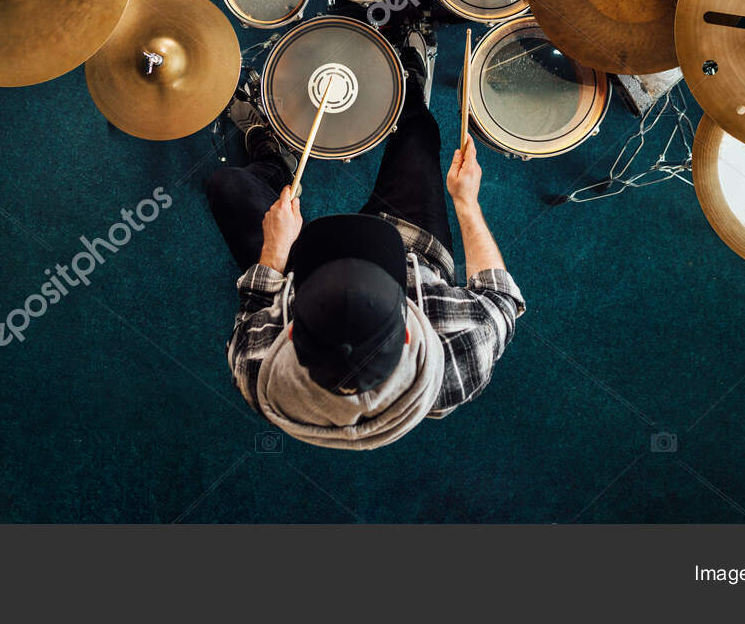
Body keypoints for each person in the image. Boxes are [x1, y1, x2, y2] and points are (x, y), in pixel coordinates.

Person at [205, 24, 525, 450]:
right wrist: (466, 203)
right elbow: (501, 297)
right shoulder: (459, 355)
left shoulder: (255, 370)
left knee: (227, 188)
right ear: (410, 332)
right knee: (418, 135)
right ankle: (410, 77)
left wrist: (275, 250)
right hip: (414, 246)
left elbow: (256, 305)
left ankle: (271, 158)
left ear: (294, 333)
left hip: (294, 264)